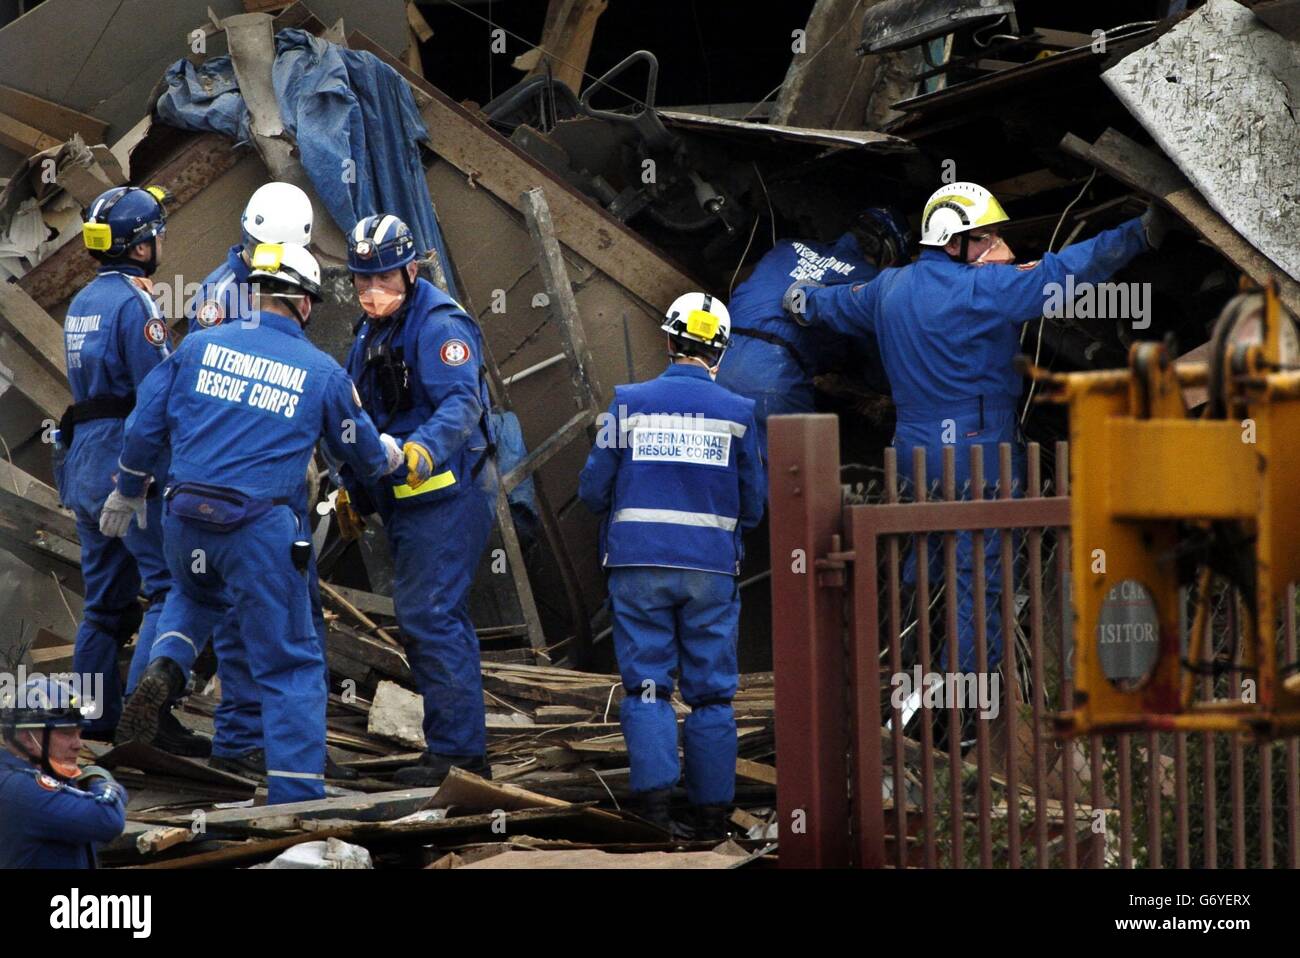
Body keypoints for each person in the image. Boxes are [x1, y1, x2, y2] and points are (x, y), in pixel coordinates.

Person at [787, 181, 1164, 679]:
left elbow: (831, 305)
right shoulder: (985, 289)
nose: (999, 249)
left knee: (918, 570)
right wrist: (1140, 234)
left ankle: (908, 671)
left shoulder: (887, 289)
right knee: (978, 580)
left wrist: (801, 299)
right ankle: (966, 709)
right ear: (953, 242)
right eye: (986, 238)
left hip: (912, 451)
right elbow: (1068, 270)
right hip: (977, 448)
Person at [103, 243, 403, 804]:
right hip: (257, 528)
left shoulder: (197, 345)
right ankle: (297, 796)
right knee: (290, 660)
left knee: (193, 600)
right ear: (306, 304)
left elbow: (144, 426)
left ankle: (167, 666)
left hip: (184, 516)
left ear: (256, 293)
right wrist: (388, 454)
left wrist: (125, 489)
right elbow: (359, 454)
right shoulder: (320, 370)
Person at [578, 292, 766, 838]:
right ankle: (711, 819)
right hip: (709, 570)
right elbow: (754, 505)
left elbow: (592, 490)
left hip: (637, 569)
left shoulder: (626, 403)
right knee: (710, 693)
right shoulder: (740, 413)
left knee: (648, 689)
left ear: (667, 340)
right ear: (719, 351)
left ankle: (655, 815)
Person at [180, 181, 351, 780]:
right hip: (258, 490)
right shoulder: (226, 300)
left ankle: (260, 742)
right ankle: (273, 757)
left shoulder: (221, 290)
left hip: (236, 483)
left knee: (260, 614)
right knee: (267, 628)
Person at [337, 213, 498, 788]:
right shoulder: (371, 329)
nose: (371, 294)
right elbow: (363, 415)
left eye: (382, 281)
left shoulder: (438, 325)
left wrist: (422, 451)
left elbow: (460, 406)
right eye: (361, 283)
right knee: (425, 616)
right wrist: (355, 491)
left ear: (410, 270)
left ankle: (459, 756)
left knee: (433, 616)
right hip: (406, 501)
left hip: (445, 497)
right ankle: (451, 746)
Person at [55, 185, 207, 756]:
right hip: (127, 463)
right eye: (159, 233)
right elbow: (158, 394)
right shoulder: (135, 304)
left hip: (84, 465)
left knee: (104, 604)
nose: (163, 240)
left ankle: (94, 720)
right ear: (141, 248)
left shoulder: (82, 302)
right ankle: (150, 726)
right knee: (168, 586)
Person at [716, 207, 911, 457]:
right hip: (772, 383)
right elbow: (876, 366)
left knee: (708, 473)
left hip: (714, 361)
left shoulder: (786, 247)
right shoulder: (870, 282)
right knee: (794, 484)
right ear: (890, 255)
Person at [0, 676, 127, 868]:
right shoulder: (21, 789)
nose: (78, 745)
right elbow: (108, 818)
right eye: (66, 733)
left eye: (79, 733)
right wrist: (100, 779)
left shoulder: (33, 774)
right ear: (26, 737)